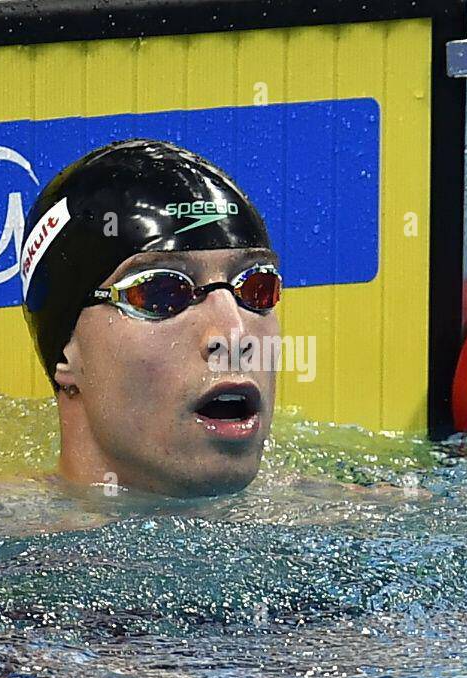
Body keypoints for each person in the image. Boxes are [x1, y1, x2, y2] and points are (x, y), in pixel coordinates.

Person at [20, 139, 282, 498]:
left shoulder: (347, 518)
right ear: (66, 352)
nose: (235, 336)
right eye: (161, 292)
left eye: (256, 286)